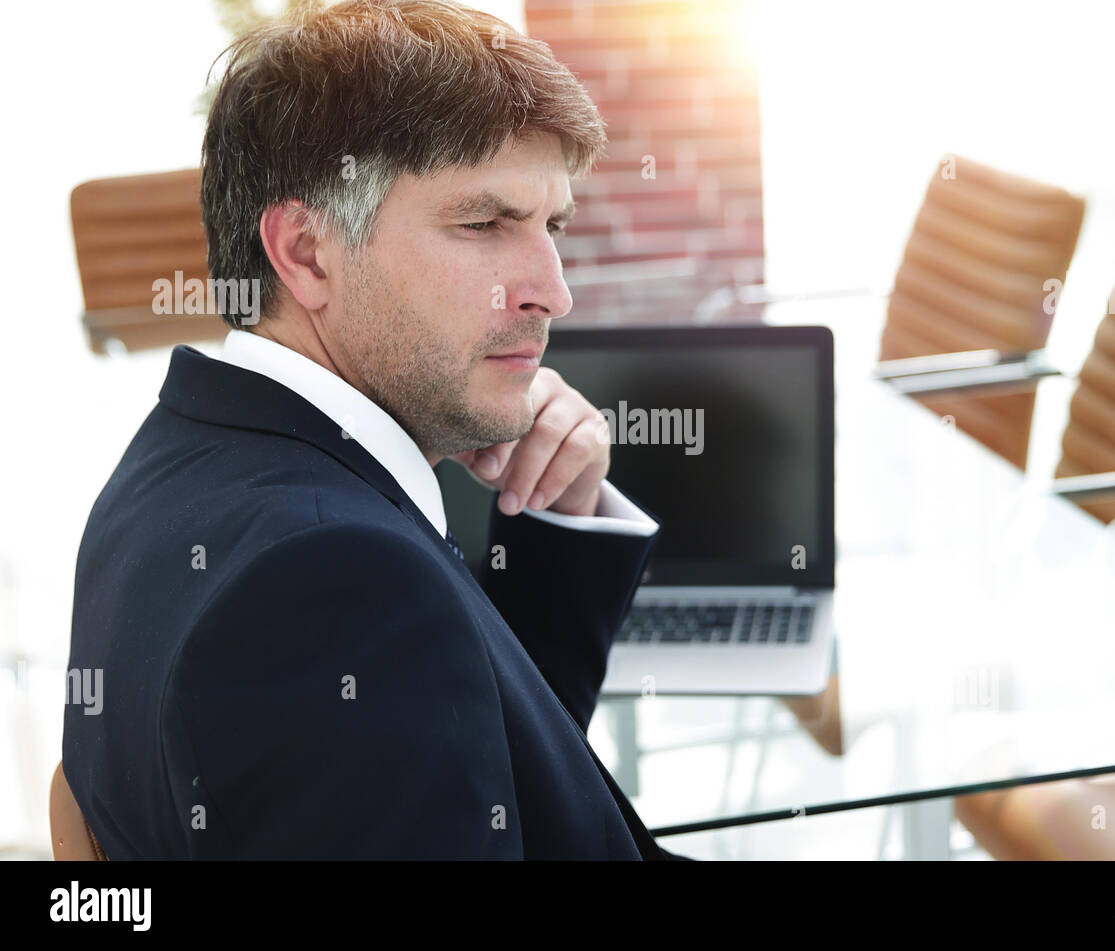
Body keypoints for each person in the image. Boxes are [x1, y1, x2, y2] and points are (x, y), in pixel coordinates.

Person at [63, 0, 688, 860]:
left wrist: (559, 523)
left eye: (553, 226)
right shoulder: (335, 582)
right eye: (483, 223)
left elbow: (474, 784)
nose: (553, 291)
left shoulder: (168, 471)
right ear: (308, 253)